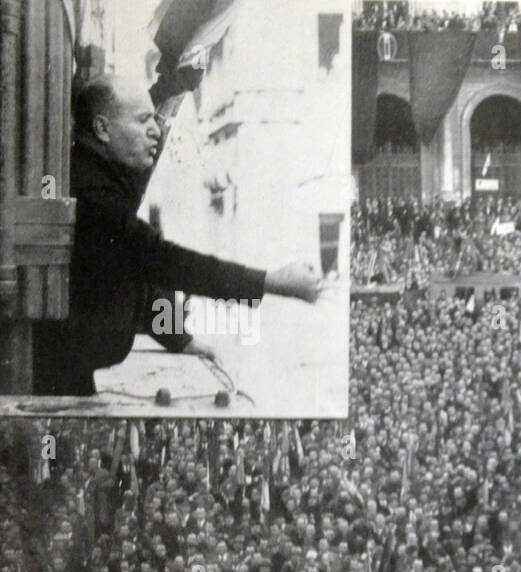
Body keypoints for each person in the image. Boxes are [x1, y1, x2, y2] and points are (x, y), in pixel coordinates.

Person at [29, 75, 322, 396]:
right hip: (51, 381)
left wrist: (180, 340)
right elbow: (163, 261)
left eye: (155, 119)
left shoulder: (99, 179)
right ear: (102, 129)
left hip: (70, 373)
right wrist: (273, 281)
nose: (155, 130)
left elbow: (133, 271)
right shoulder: (93, 192)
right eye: (143, 120)